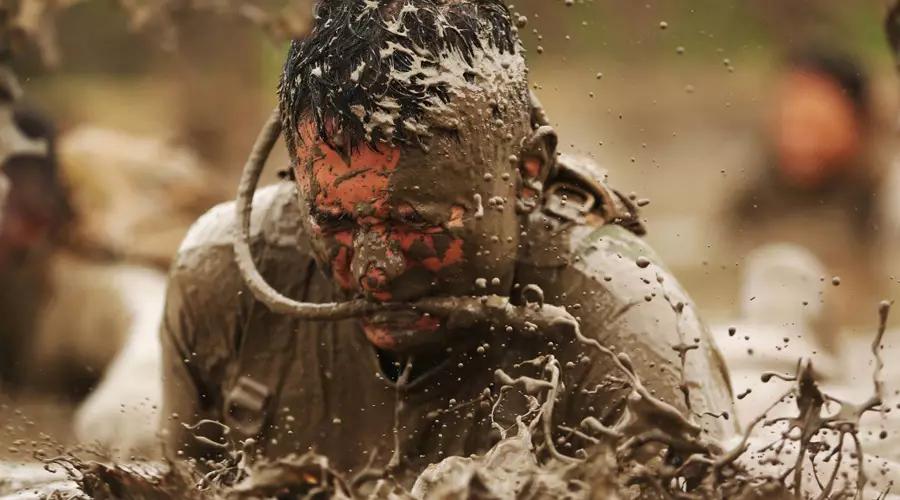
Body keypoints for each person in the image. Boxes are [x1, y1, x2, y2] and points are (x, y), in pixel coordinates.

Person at [159, 0, 737, 485]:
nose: (373, 270)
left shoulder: (626, 325)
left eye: (412, 223)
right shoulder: (226, 277)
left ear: (528, 174)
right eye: (334, 223)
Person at [724, 45, 891, 330]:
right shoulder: (752, 197)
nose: (798, 140)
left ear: (860, 122)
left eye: (814, 123)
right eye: (790, 122)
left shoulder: (887, 198)